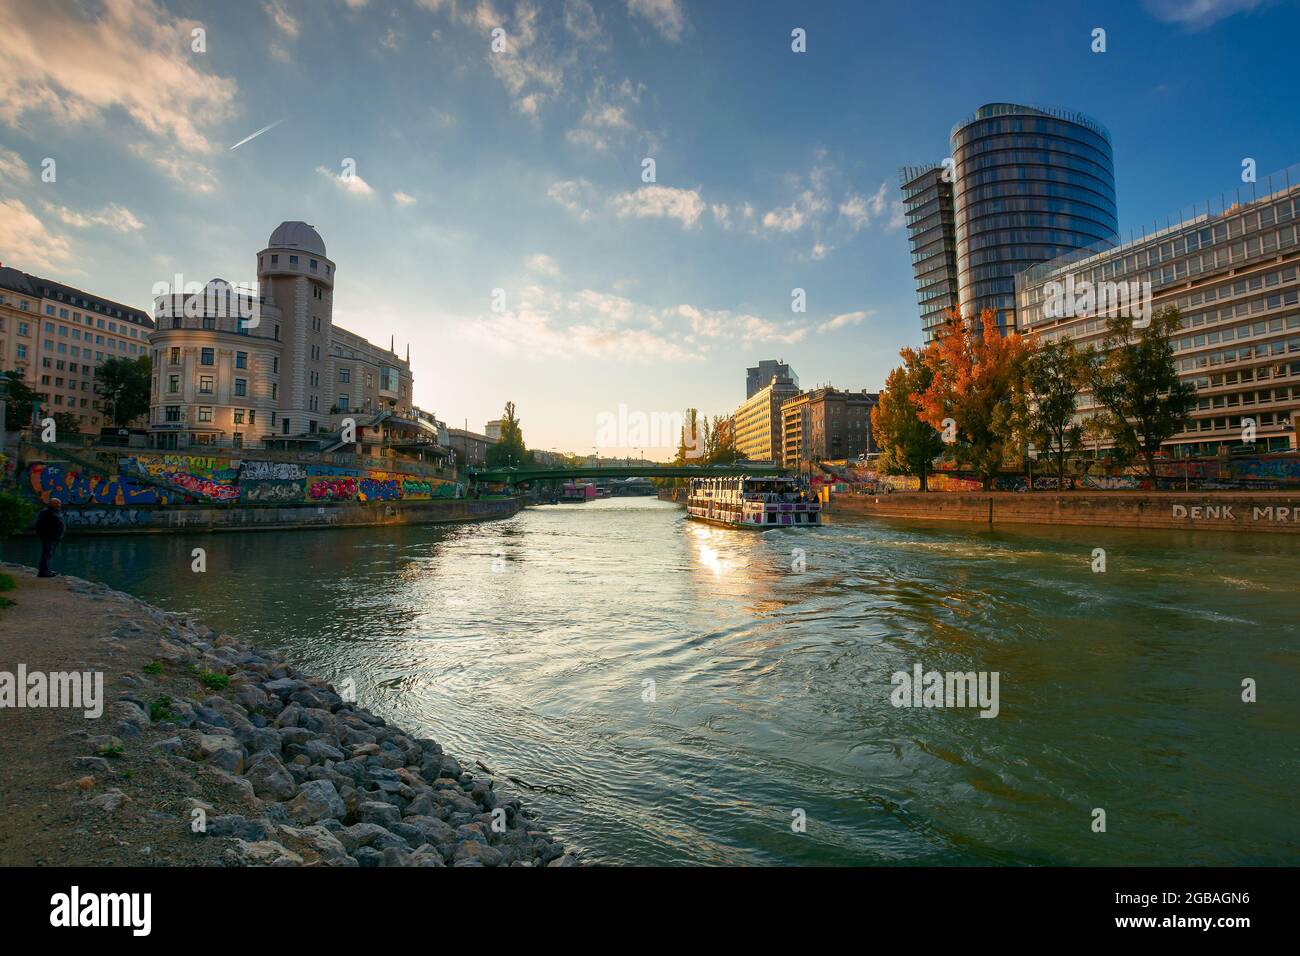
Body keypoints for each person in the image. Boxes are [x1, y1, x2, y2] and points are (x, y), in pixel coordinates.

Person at [35, 497, 65, 578]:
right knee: (47, 554)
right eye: (56, 503)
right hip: (49, 537)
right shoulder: (46, 513)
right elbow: (40, 525)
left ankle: (47, 570)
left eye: (59, 503)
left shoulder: (55, 512)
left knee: (49, 554)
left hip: (55, 537)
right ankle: (43, 572)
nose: (58, 505)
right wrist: (45, 535)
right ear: (50, 504)